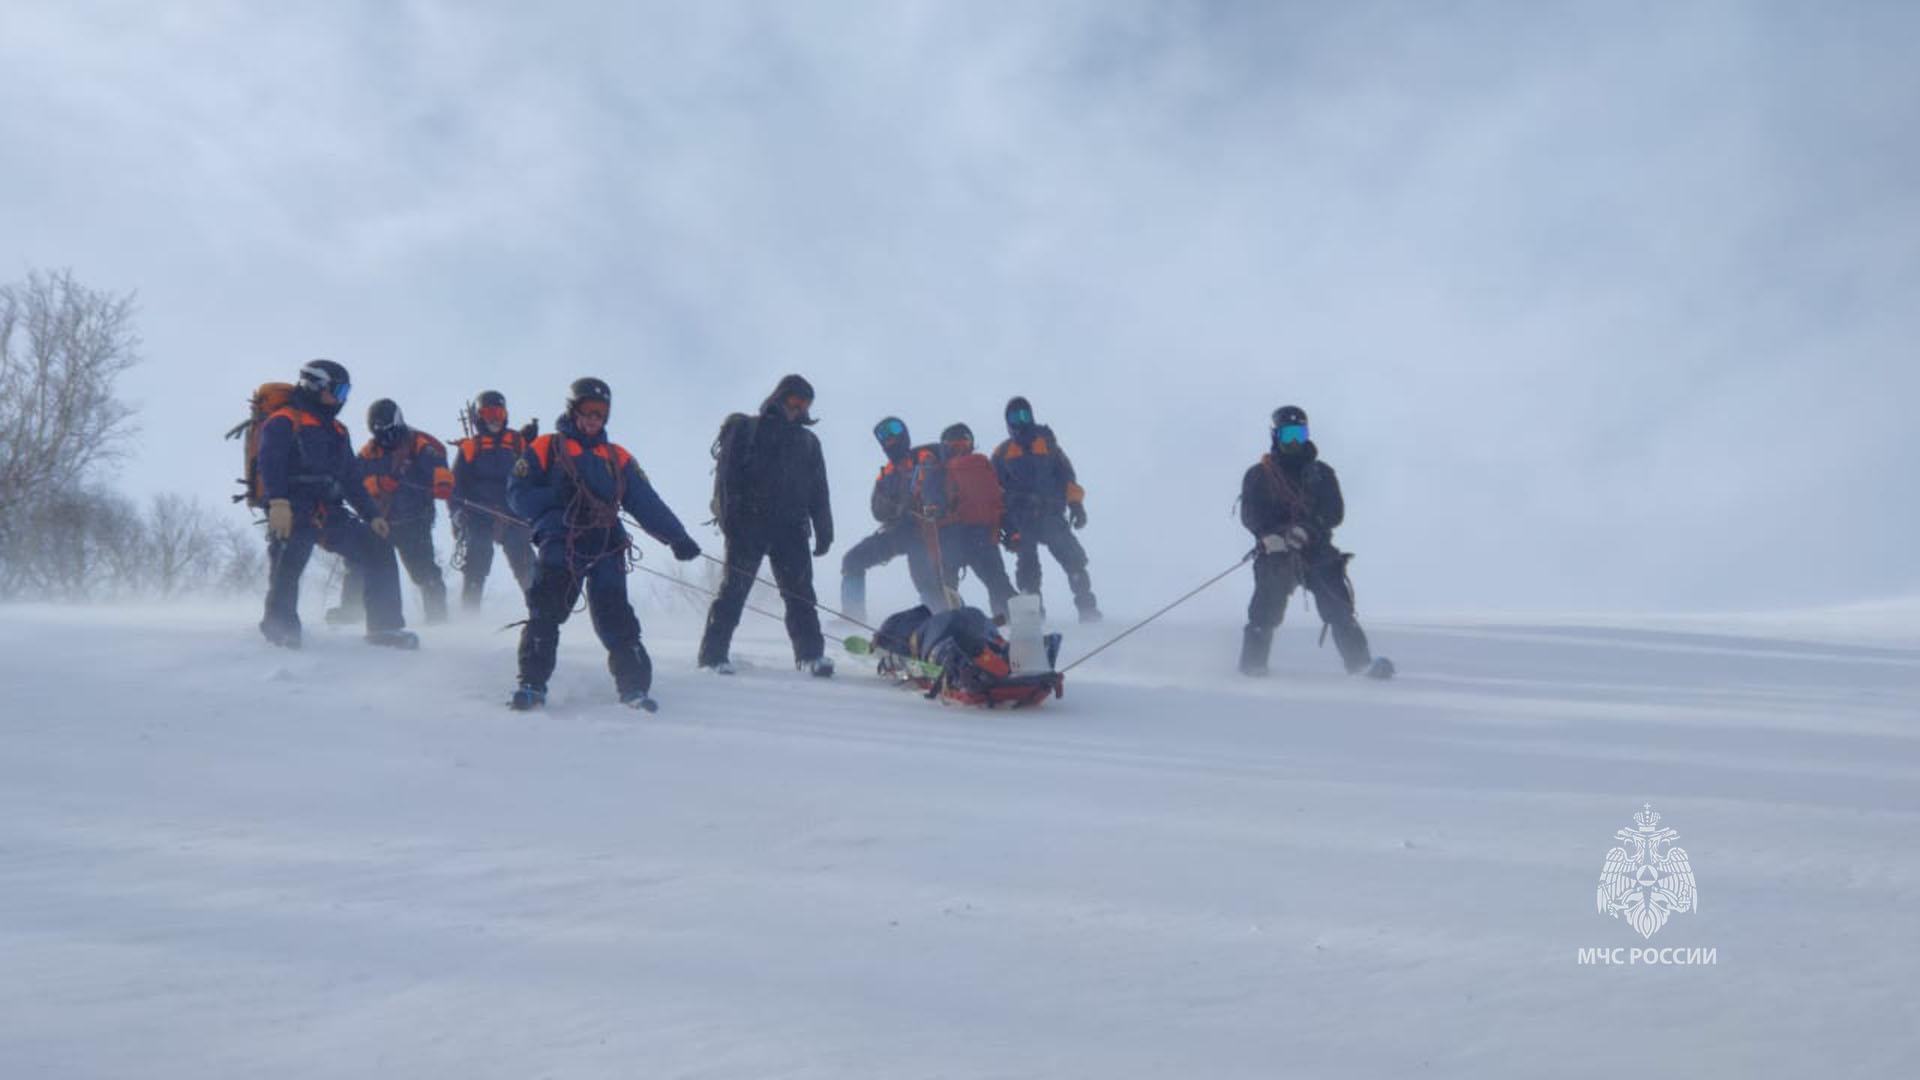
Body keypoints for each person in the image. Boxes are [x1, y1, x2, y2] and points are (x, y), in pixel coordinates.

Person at [507, 377, 702, 711]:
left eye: (601, 412)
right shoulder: (545, 447)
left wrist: (677, 537)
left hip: (606, 545)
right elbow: (517, 495)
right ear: (573, 410)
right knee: (547, 611)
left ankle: (634, 689)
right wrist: (557, 496)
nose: (594, 418)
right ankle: (532, 685)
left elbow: (645, 501)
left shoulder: (618, 457)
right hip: (561, 540)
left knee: (616, 618)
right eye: (588, 410)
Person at [254, 359, 415, 650]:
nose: (342, 399)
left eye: (345, 392)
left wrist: (372, 514)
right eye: (338, 391)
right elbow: (270, 462)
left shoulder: (337, 431)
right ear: (316, 386)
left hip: (330, 510)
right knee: (289, 562)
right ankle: (280, 628)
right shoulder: (285, 420)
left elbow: (351, 477)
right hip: (292, 508)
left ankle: (385, 627)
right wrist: (277, 502)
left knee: (377, 547)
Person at [1238, 405, 1393, 679]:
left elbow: (1334, 512)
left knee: (1338, 606)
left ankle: (1360, 665)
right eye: (1288, 435)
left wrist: (1308, 530)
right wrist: (1269, 536)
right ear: (1276, 436)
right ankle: (1252, 667)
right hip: (1275, 552)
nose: (1295, 441)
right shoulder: (1258, 475)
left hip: (1316, 549)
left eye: (1300, 433)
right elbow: (1251, 514)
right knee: (1265, 610)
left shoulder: (1322, 473)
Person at [699, 374, 835, 676]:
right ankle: (712, 656)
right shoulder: (745, 428)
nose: (798, 409)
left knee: (801, 596)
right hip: (749, 526)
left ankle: (811, 656)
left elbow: (819, 490)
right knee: (733, 591)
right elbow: (726, 480)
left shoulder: (809, 442)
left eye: (805, 404)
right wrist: (730, 522)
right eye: (794, 401)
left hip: (792, 530)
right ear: (779, 398)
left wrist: (825, 530)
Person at [329, 399, 452, 624]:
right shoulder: (368, 453)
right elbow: (353, 481)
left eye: (389, 431)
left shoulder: (419, 444)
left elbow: (438, 466)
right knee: (358, 565)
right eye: (379, 433)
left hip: (413, 521)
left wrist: (442, 482)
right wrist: (377, 484)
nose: (385, 438)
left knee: (424, 572)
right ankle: (350, 613)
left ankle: (438, 619)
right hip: (378, 522)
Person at [991, 396, 1101, 622]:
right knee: (1028, 568)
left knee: (1073, 559)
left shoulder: (1048, 445)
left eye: (1024, 415)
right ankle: (1034, 619)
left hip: (1051, 514)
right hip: (1021, 517)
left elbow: (1067, 476)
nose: (1021, 421)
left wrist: (1076, 504)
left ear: (1032, 415)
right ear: (1007, 422)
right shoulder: (1002, 454)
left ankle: (1088, 610)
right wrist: (1006, 529)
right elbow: (995, 493)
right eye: (1015, 416)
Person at [838, 416, 941, 623]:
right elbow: (877, 509)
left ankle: (940, 620)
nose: (891, 439)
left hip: (925, 529)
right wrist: (897, 507)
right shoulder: (886, 474)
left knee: (927, 580)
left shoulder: (925, 457)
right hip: (898, 530)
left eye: (895, 431)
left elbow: (936, 482)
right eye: (885, 437)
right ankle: (853, 618)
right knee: (853, 560)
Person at [451, 390, 536, 610]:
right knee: (478, 555)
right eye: (488, 413)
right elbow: (456, 485)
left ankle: (541, 611)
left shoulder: (518, 443)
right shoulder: (470, 447)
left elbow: (534, 476)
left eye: (498, 412)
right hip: (479, 514)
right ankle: (469, 613)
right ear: (480, 416)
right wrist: (457, 513)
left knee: (526, 561)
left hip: (514, 514)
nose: (495, 418)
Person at [922, 422, 1016, 619]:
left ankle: (944, 624)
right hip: (979, 538)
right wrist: (1012, 531)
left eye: (962, 441)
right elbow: (999, 502)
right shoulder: (976, 469)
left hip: (955, 538)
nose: (958, 447)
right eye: (953, 442)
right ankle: (1015, 623)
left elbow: (997, 502)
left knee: (946, 591)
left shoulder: (938, 469)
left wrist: (933, 508)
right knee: (998, 584)